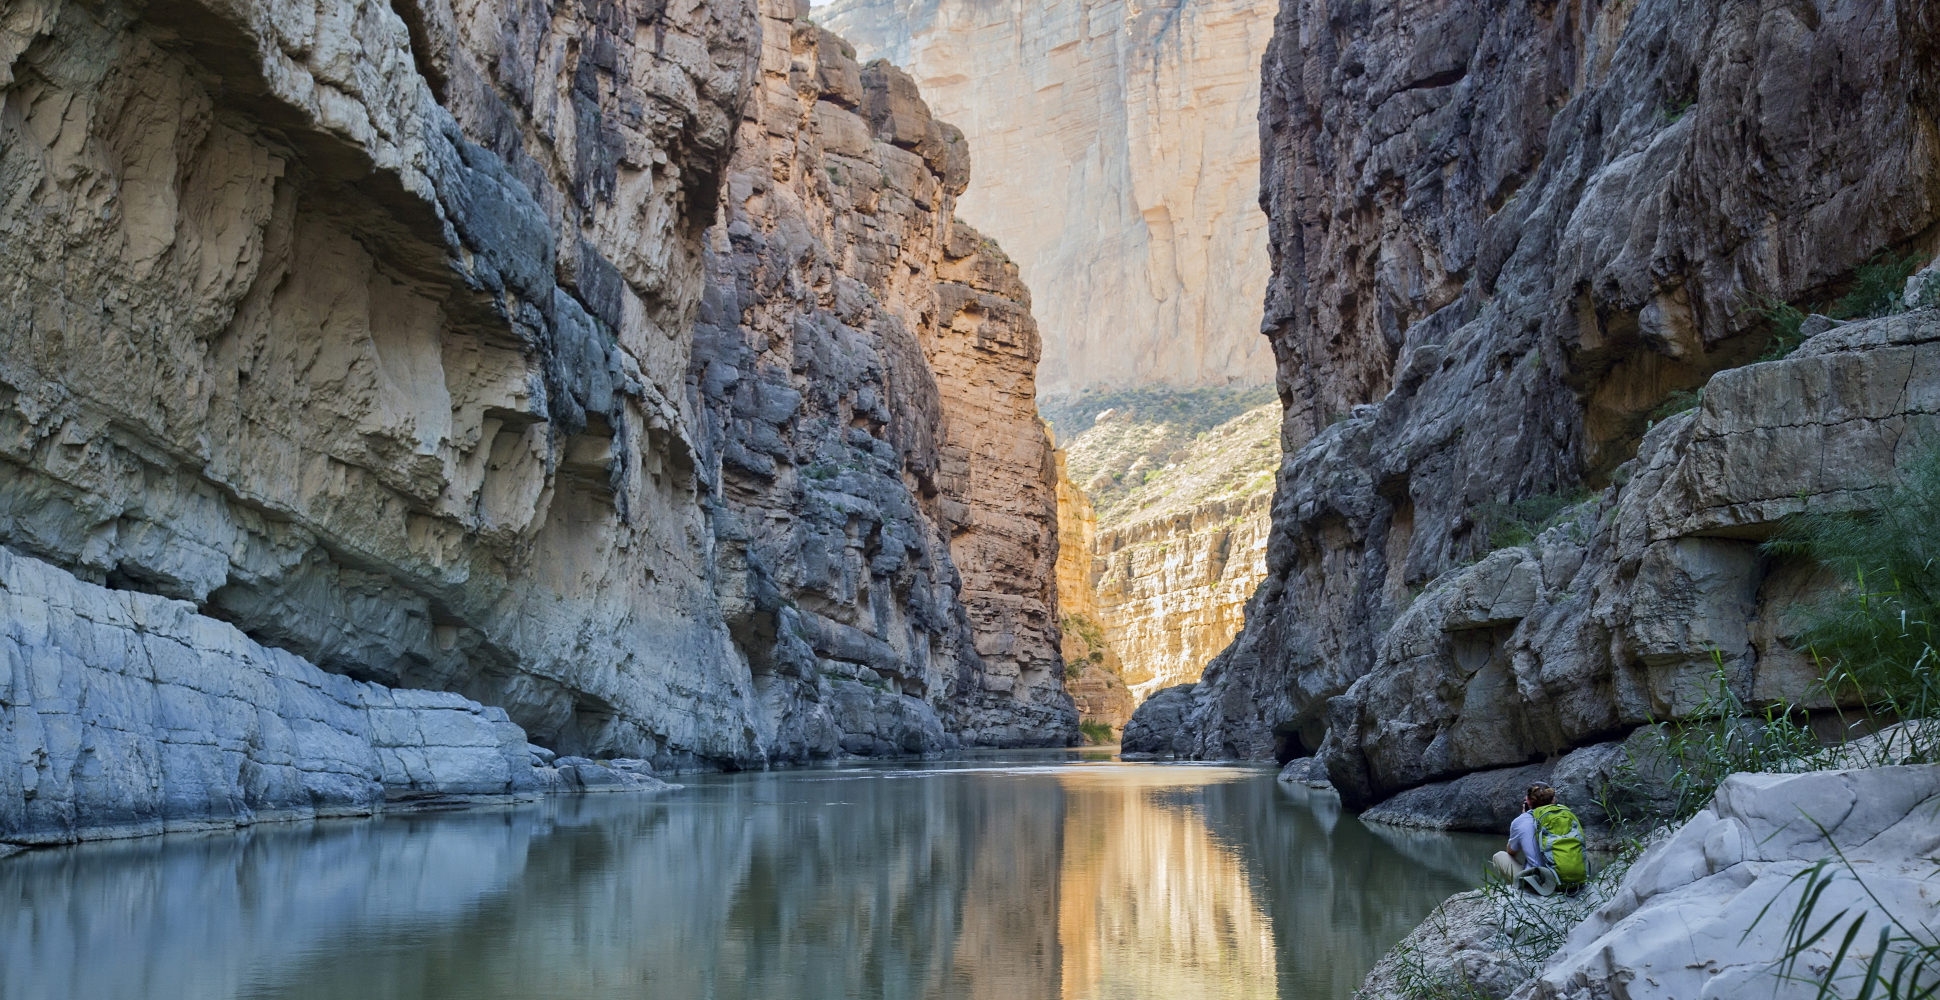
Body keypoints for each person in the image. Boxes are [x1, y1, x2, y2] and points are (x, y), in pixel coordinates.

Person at [1491, 782, 1586, 895]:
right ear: (1553, 800)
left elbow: (1511, 852)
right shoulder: (1566, 814)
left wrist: (1523, 817)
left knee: (1499, 856)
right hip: (1575, 882)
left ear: (1528, 801)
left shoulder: (1521, 821)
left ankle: (1519, 892)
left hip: (1544, 886)